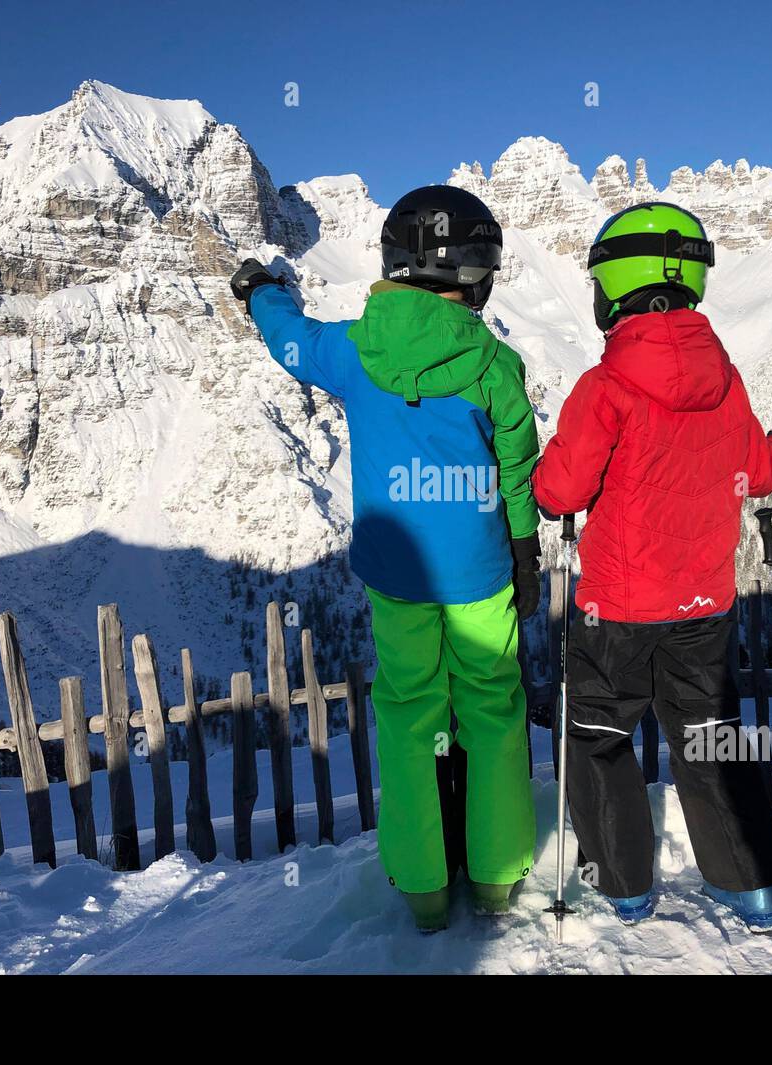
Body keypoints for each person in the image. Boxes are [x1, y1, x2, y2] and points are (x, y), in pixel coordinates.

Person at [229, 186, 539, 933]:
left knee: (409, 715)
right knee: (491, 711)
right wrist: (524, 543)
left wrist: (262, 293)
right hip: (479, 574)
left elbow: (290, 340)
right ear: (474, 275)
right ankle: (497, 878)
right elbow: (519, 461)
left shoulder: (354, 349)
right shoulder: (494, 363)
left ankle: (425, 888)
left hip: (397, 578)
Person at [532, 201, 772, 932]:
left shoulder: (607, 387)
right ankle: (751, 887)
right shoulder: (725, 381)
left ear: (616, 284)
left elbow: (559, 490)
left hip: (616, 612)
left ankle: (625, 886)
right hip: (705, 606)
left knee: (598, 737)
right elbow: (758, 468)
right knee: (711, 737)